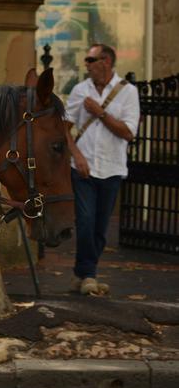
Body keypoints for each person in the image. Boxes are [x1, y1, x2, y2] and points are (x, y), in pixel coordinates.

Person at [66, 43, 139, 296]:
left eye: (90, 59)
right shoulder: (79, 90)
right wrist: (76, 155)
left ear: (105, 61)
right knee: (85, 221)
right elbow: (64, 128)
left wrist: (100, 113)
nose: (86, 64)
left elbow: (129, 133)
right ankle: (88, 275)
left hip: (112, 167)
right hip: (82, 168)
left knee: (99, 226)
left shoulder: (128, 92)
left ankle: (82, 272)